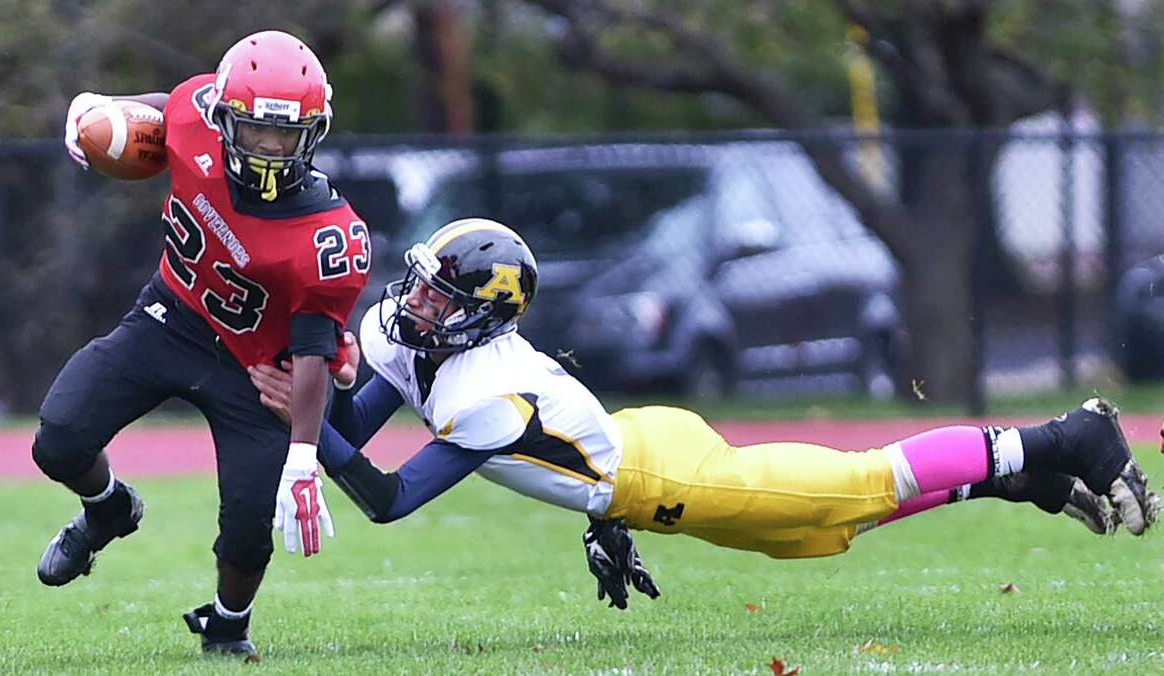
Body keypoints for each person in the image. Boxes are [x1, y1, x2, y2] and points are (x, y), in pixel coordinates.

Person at [251, 217, 1157, 610]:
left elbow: (385, 497)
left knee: (860, 487)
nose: (418, 308)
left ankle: (1063, 437)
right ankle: (1014, 479)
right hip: (635, 450)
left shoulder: (488, 395)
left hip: (663, 473)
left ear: (488, 315)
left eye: (444, 300)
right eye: (421, 287)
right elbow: (353, 426)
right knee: (819, 532)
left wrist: (305, 415)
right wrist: (312, 410)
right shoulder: (409, 338)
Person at [35, 30, 371, 656]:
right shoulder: (194, 120)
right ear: (221, 115)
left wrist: (303, 459)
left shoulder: (328, 235)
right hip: (171, 319)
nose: (270, 146)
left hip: (254, 370)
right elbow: (167, 107)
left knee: (248, 528)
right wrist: (97, 108)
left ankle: (227, 624)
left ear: (314, 131)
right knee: (59, 438)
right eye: (255, 129)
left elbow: (316, 350)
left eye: (286, 133)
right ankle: (107, 509)